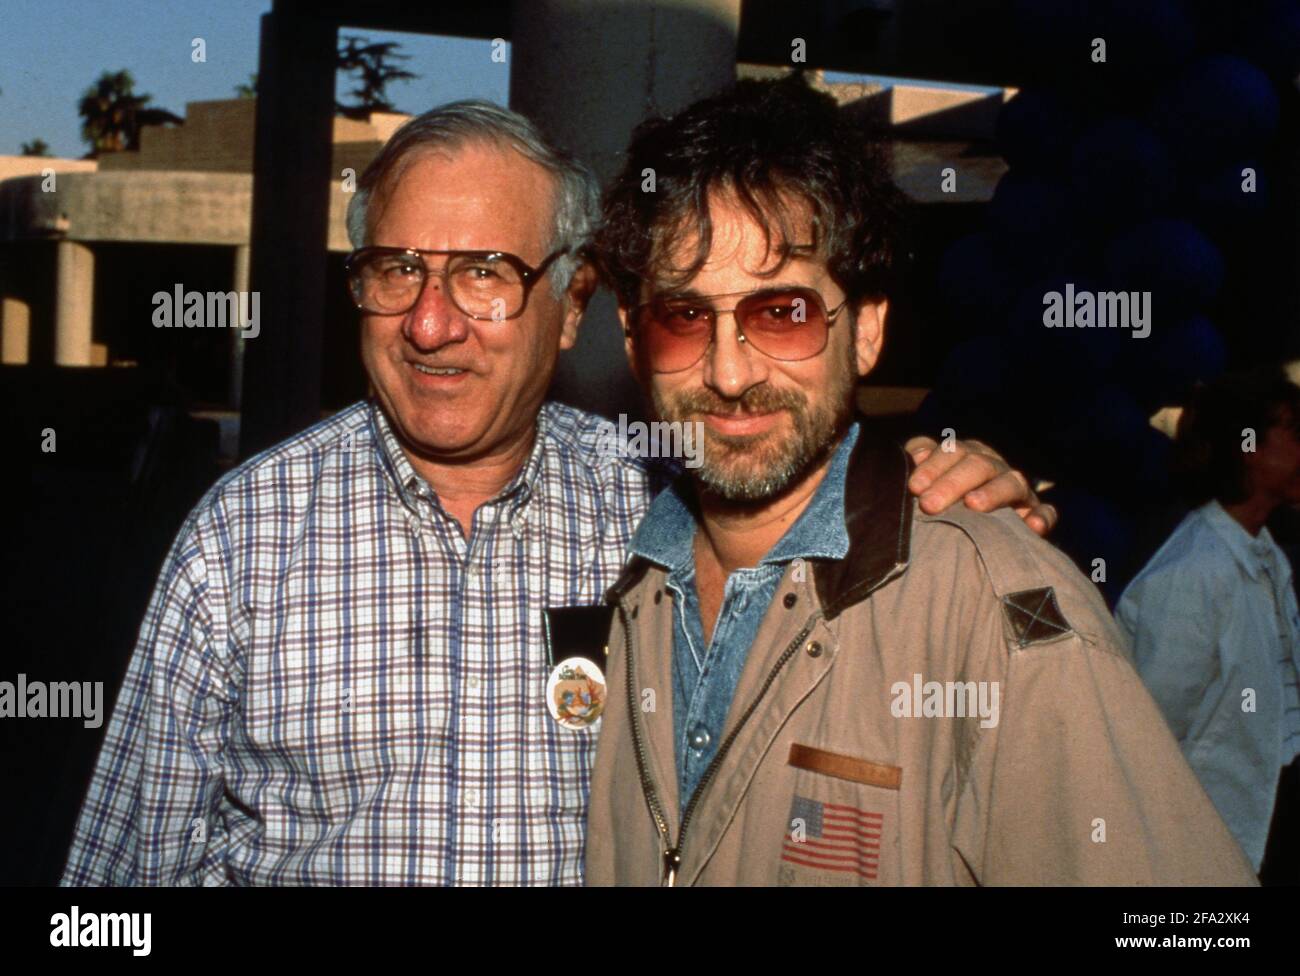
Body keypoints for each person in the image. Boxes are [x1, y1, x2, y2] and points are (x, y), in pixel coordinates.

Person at [61, 100, 1047, 886]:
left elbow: (810, 494)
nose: (432, 323)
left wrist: (947, 491)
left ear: (572, 305)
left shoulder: (661, 511)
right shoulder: (243, 535)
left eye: (486, 273)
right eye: (398, 270)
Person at [583, 75, 1256, 886]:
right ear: (632, 340)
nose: (729, 372)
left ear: (864, 331)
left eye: (782, 314)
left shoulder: (991, 601)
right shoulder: (619, 587)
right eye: (685, 317)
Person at [1117, 367, 1300, 882]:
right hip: (1212, 842)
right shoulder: (1193, 574)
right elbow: (1153, 733)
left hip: (1269, 816)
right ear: (1248, 448)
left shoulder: (1267, 558)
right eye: (1296, 434)